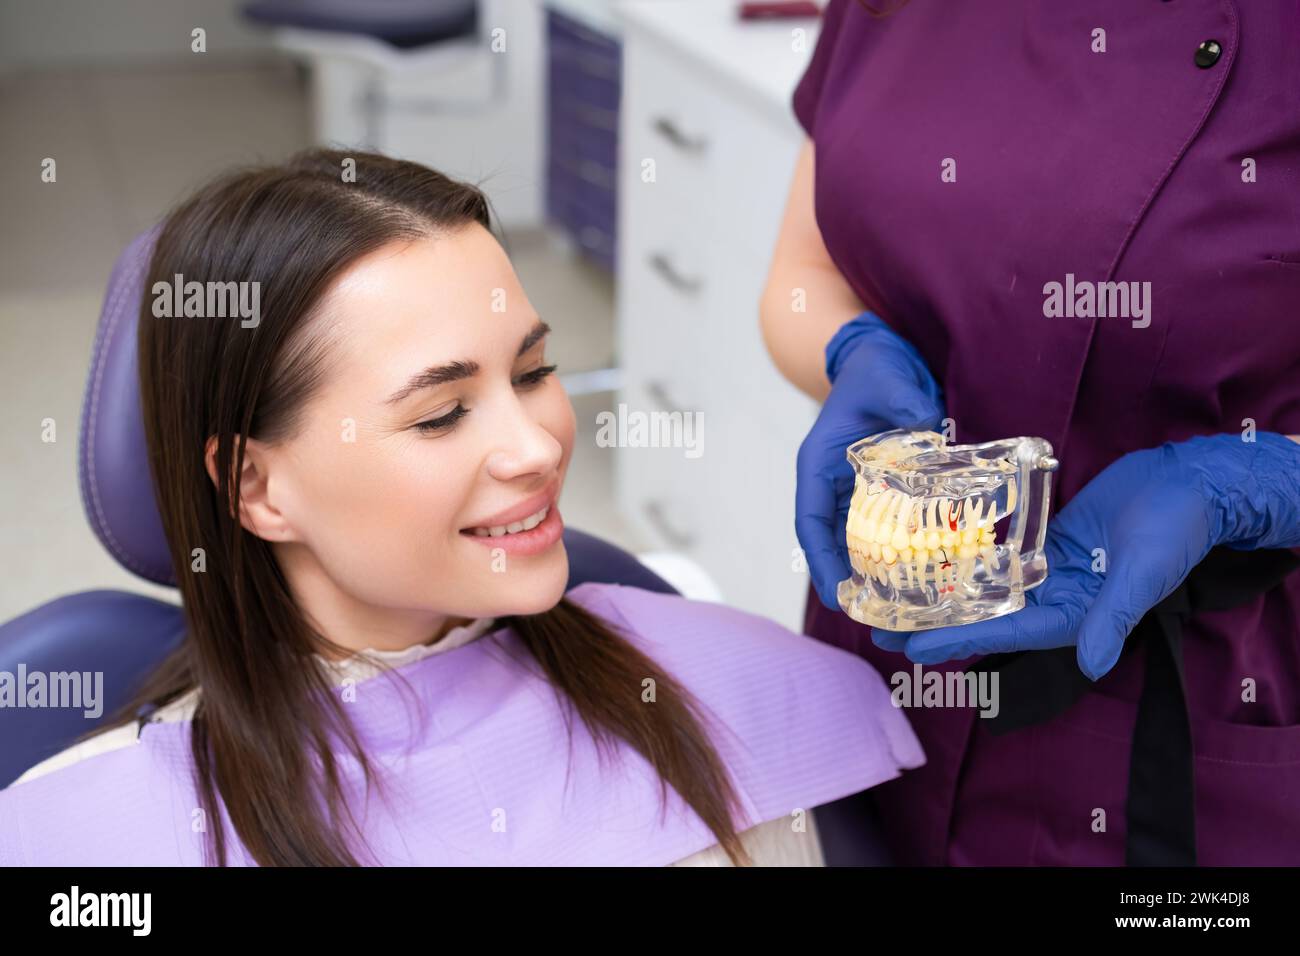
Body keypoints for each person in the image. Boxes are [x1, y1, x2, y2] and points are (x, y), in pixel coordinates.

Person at [0, 149, 923, 867]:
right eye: (441, 413)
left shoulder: (734, 694)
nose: (538, 447)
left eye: (534, 372)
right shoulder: (94, 833)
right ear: (256, 486)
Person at [761, 0, 1300, 865]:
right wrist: (853, 350)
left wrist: (1263, 485)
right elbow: (806, 269)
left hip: (1187, 719)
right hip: (884, 667)